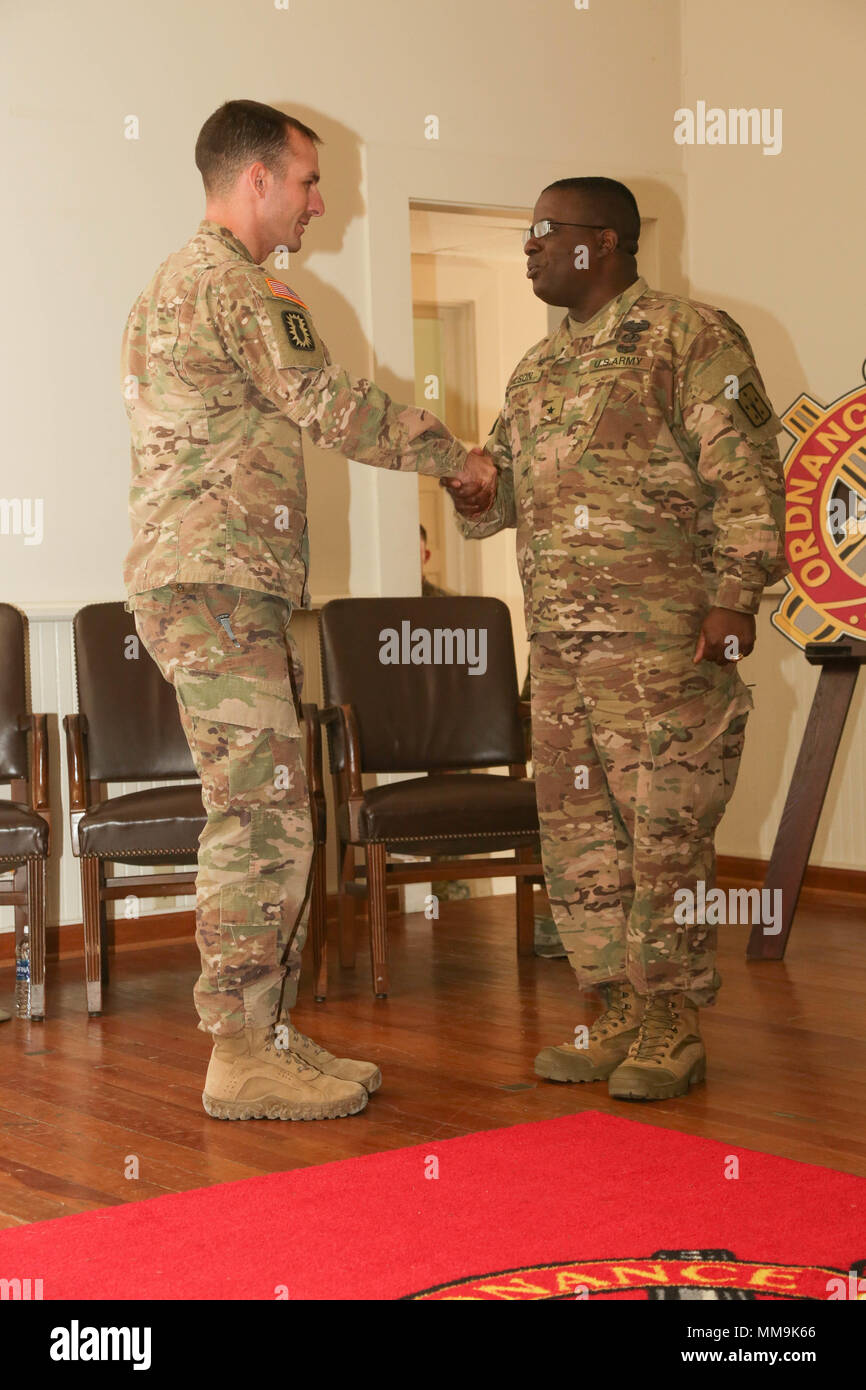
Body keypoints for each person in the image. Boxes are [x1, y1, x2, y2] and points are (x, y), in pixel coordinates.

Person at [122, 99, 495, 1122]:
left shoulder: (168, 285)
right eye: (306, 180)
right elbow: (336, 403)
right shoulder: (238, 288)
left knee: (263, 805)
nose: (318, 201)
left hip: (205, 579)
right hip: (216, 582)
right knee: (259, 815)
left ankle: (265, 1030)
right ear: (255, 181)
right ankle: (240, 1050)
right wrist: (455, 459)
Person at [443, 176, 786, 1101]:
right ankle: (614, 1013)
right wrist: (475, 492)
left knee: (665, 833)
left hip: (667, 644)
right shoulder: (536, 371)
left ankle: (672, 1023)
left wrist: (735, 601)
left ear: (605, 242)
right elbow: (504, 497)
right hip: (560, 652)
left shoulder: (689, 337)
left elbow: (750, 478)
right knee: (583, 836)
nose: (529, 248)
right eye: (527, 234)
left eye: (544, 232)